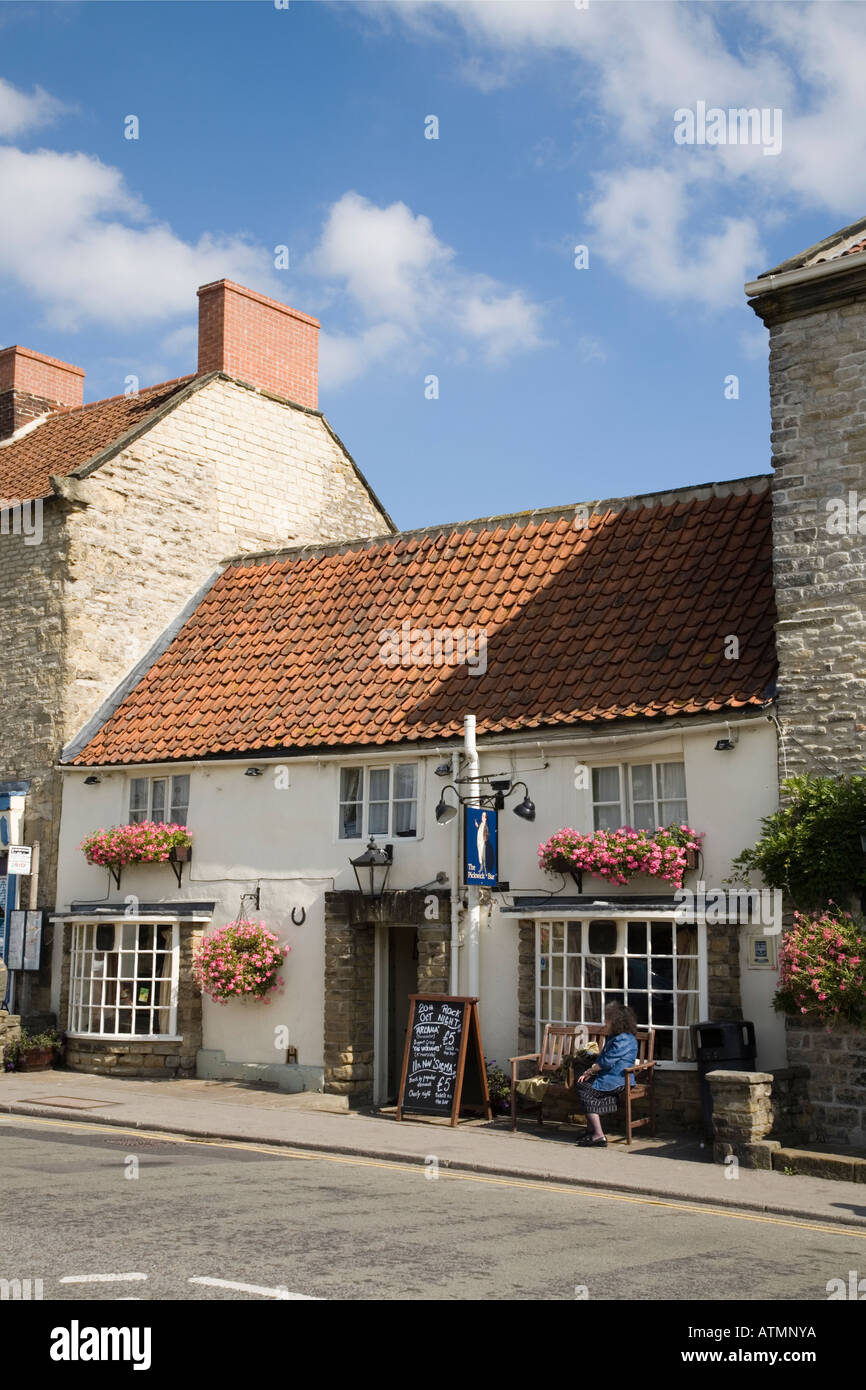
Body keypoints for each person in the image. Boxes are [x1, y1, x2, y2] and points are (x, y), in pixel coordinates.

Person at [574, 1002, 639, 1147]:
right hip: (609, 1078)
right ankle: (592, 1130)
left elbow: (607, 1061)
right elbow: (603, 1060)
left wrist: (590, 1071)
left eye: (608, 1019)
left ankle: (598, 1135)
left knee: (583, 1087)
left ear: (617, 1022)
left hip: (619, 1081)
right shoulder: (615, 1037)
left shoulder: (624, 1039)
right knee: (581, 1081)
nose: (605, 1022)